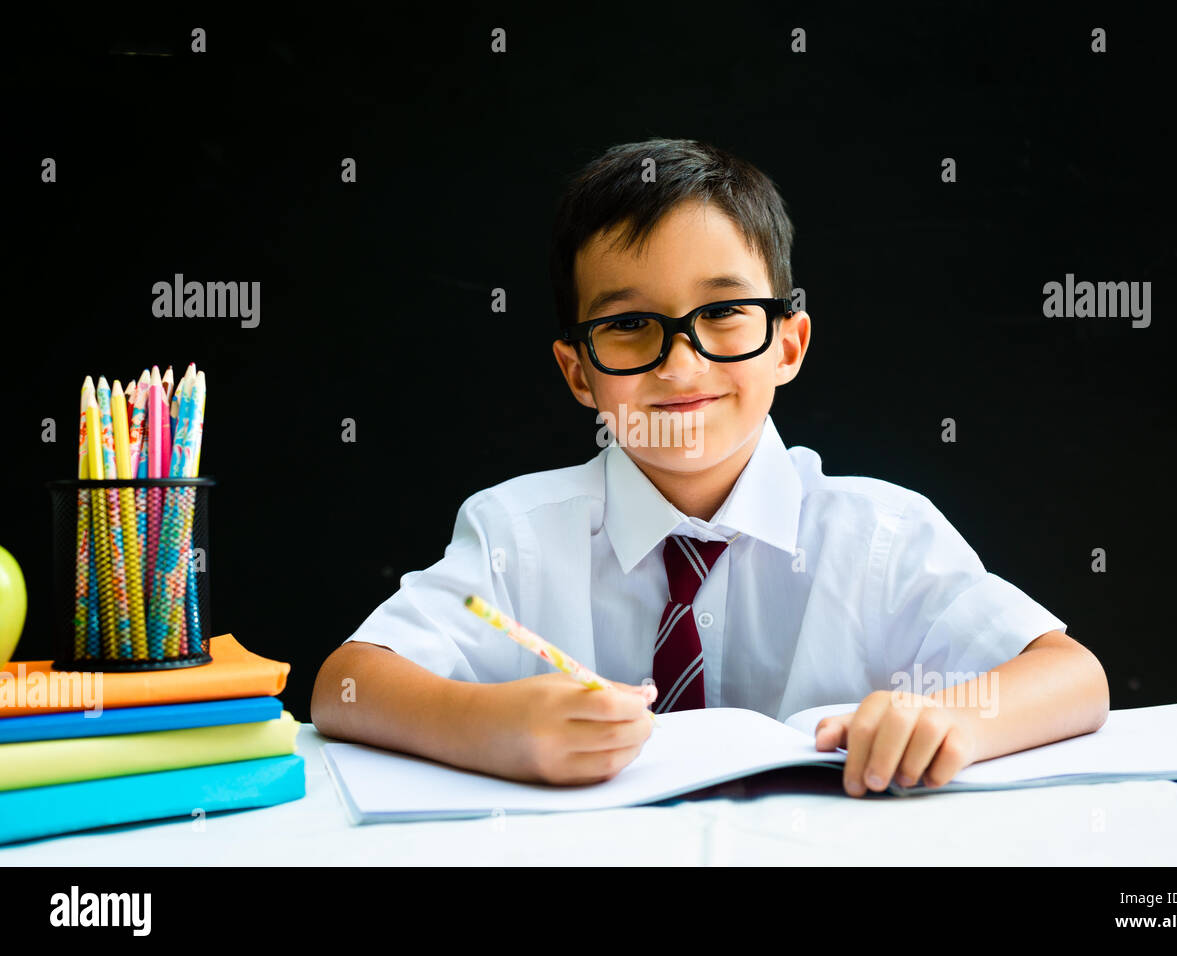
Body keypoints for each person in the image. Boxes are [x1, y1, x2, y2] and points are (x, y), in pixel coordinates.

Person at [311, 138, 1108, 796]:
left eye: (724, 312)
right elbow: (346, 685)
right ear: (578, 373)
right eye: (628, 324)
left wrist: (957, 719)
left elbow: (1073, 677)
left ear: (789, 343)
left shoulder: (878, 533)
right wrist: (496, 728)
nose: (680, 362)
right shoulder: (515, 533)